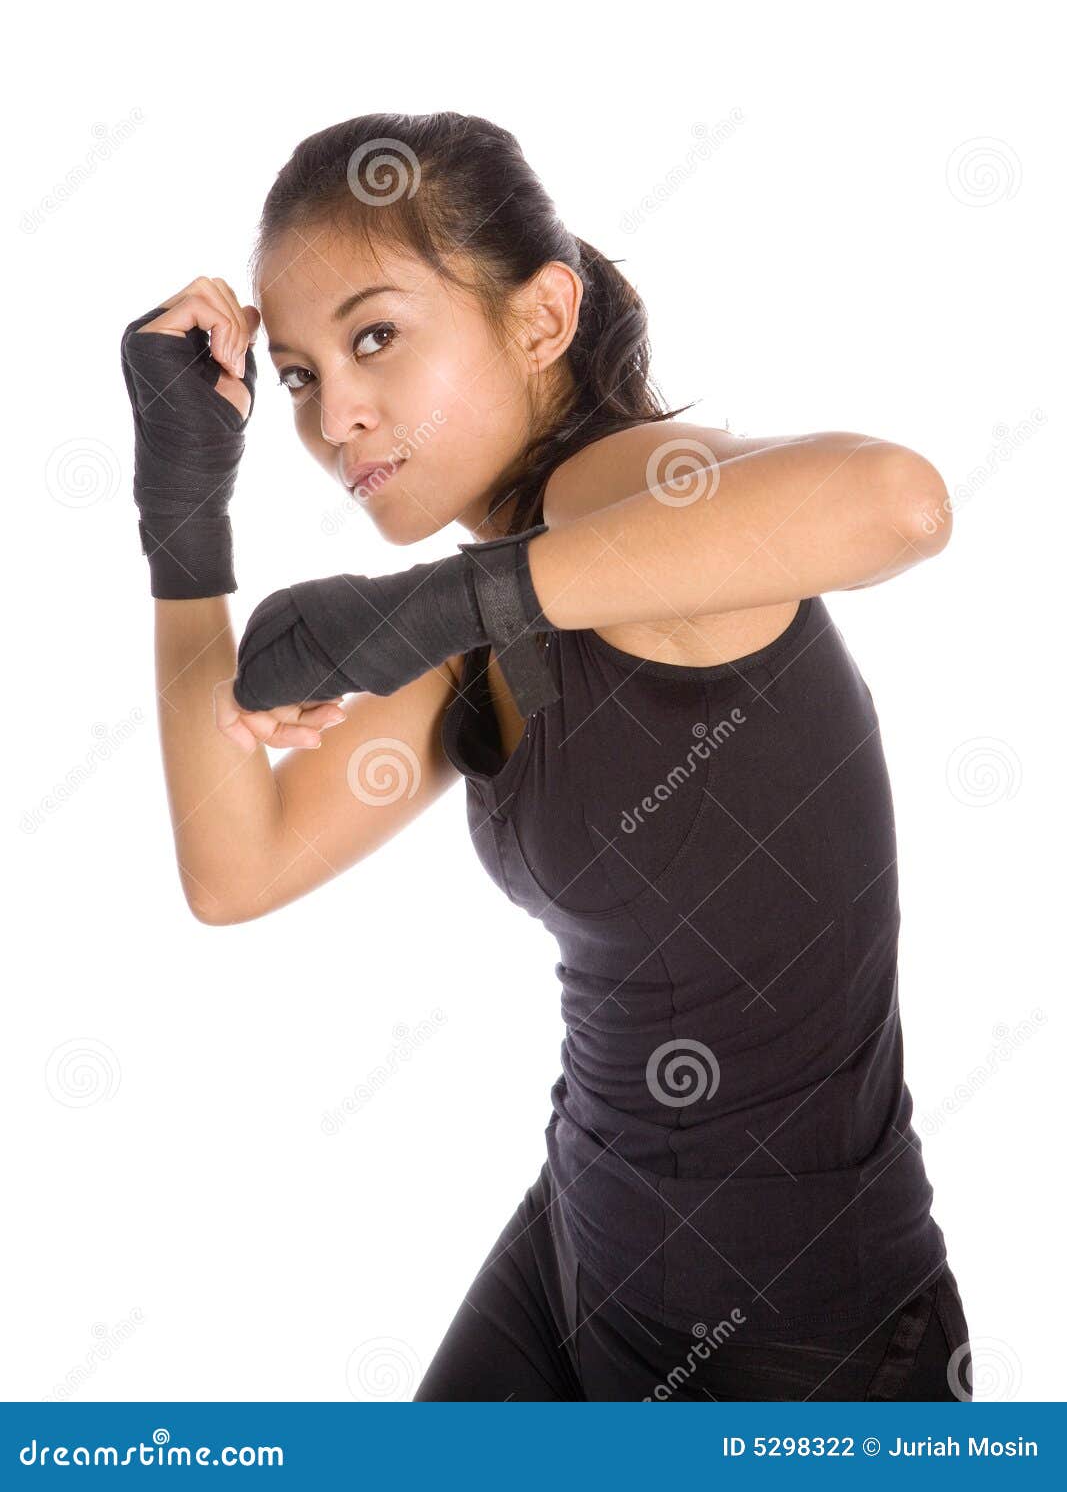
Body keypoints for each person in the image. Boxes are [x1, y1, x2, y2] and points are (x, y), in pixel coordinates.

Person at [120, 110, 972, 1402]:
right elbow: (239, 865)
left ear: (540, 318)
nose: (335, 414)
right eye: (297, 376)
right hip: (579, 1244)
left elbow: (900, 500)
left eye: (374, 336)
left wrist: (429, 609)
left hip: (801, 1338)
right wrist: (185, 517)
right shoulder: (496, 614)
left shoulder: (612, 491)